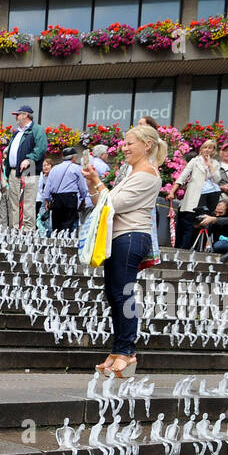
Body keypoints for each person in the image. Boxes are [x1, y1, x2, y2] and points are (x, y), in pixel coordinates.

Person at [83, 123, 165, 377]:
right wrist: (91, 183)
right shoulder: (131, 174)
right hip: (119, 238)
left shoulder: (147, 175)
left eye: (130, 143)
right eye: (125, 143)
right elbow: (100, 203)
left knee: (124, 294)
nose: (124, 147)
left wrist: (98, 182)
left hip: (131, 237)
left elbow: (113, 203)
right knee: (114, 294)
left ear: (147, 145)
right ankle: (119, 349)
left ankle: (128, 351)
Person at [172, 139, 220, 249]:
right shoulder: (195, 161)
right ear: (201, 149)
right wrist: (173, 190)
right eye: (205, 147)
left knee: (202, 225)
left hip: (208, 197)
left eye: (210, 148)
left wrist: (210, 166)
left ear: (213, 150)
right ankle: (184, 249)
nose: (207, 150)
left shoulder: (215, 164)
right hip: (193, 197)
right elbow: (183, 176)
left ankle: (198, 249)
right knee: (188, 225)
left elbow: (217, 179)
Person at [5, 104, 46, 230]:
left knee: (28, 201)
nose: (16, 117)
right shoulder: (17, 132)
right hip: (13, 170)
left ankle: (28, 230)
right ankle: (15, 228)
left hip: (29, 168)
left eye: (18, 115)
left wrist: (29, 159)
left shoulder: (37, 129)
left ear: (25, 115)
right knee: (14, 202)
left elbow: (41, 148)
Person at [40, 146, 90, 234]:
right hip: (70, 199)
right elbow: (83, 188)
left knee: (56, 227)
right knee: (68, 227)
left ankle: (56, 245)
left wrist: (47, 200)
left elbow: (47, 188)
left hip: (56, 199)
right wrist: (83, 199)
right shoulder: (76, 168)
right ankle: (66, 246)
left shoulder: (54, 169)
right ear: (74, 157)